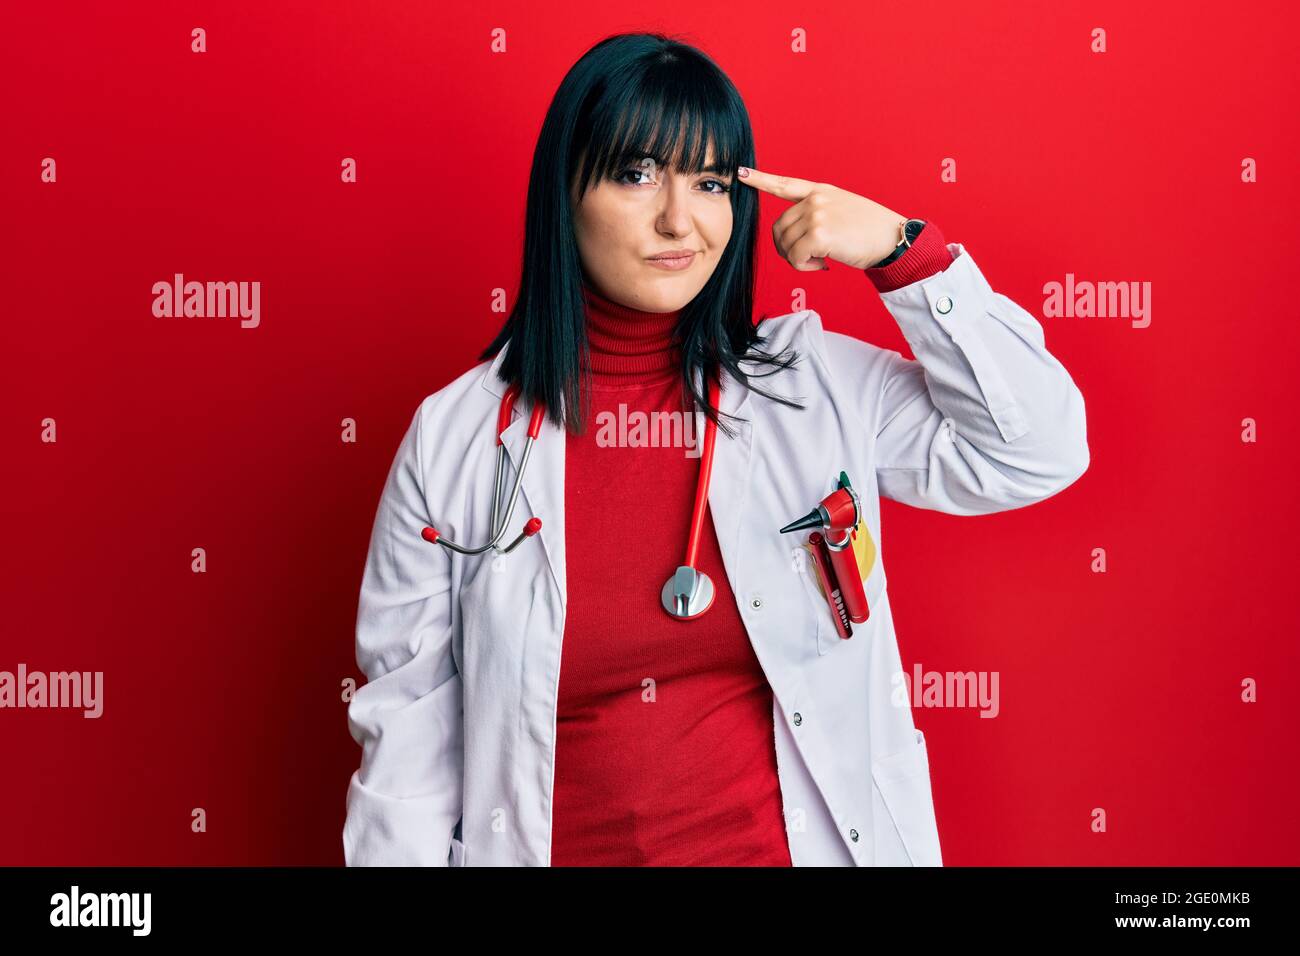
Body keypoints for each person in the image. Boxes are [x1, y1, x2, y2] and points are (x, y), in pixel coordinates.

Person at [342, 31, 1088, 867]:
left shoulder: (810, 388)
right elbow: (406, 750)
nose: (679, 220)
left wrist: (903, 252)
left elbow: (1036, 449)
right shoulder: (456, 441)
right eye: (635, 174)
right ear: (565, 192)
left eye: (708, 183)